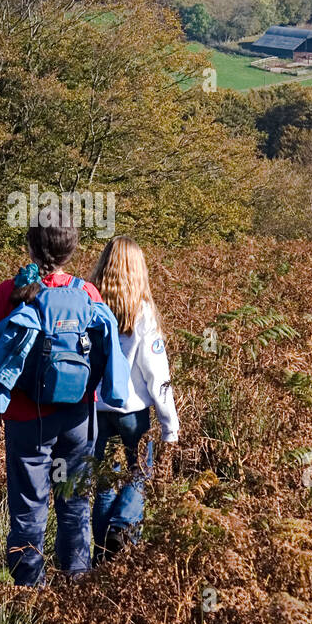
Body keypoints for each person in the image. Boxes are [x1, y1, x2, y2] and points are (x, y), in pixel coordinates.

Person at [0, 207, 129, 586]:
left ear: (30, 246)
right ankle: (74, 585)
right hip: (78, 416)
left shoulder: (10, 292)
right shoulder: (88, 292)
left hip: (26, 417)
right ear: (72, 249)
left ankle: (29, 589)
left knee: (29, 505)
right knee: (74, 502)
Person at [88, 236, 179, 562]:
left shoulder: (89, 305)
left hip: (96, 411)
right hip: (132, 414)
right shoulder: (142, 313)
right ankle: (123, 532)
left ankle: (100, 559)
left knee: (104, 486)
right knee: (139, 475)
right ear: (137, 270)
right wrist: (170, 425)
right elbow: (157, 374)